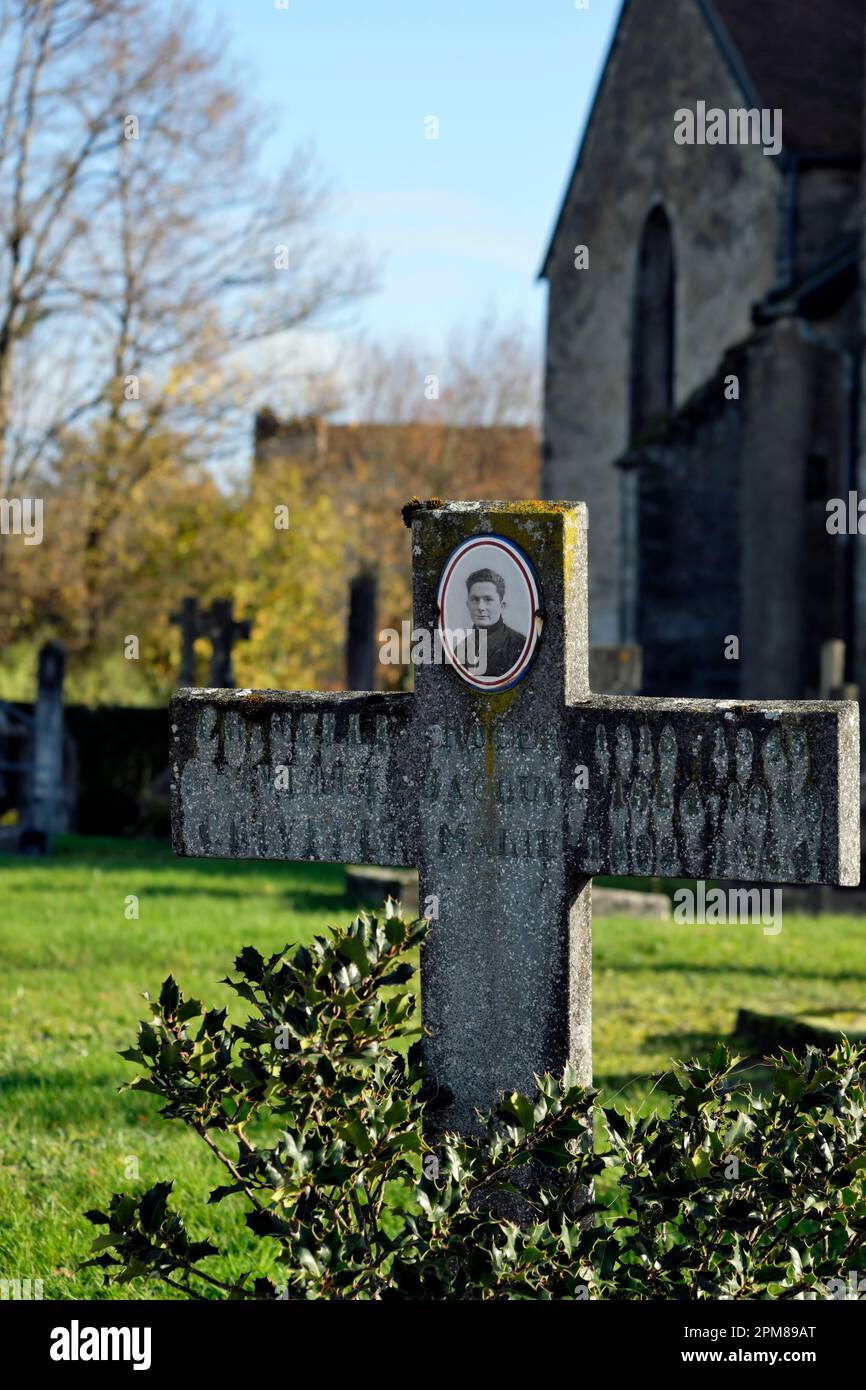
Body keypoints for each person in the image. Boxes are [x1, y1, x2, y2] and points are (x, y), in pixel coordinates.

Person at [453, 567, 526, 677]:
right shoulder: (460, 650)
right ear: (468, 605)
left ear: (502, 606)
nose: (481, 607)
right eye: (475, 599)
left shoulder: (521, 645)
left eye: (488, 600)